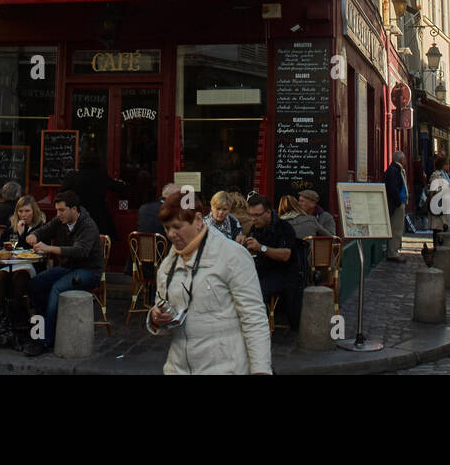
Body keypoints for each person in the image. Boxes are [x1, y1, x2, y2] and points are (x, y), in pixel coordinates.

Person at [147, 188, 271, 374]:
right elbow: (163, 309)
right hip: (178, 368)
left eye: (177, 226)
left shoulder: (232, 255)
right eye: (167, 228)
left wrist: (260, 370)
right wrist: (156, 318)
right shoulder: (168, 264)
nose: (171, 234)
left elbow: (254, 317)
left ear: (198, 220)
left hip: (225, 368)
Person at [22, 190, 104, 357]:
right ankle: (43, 324)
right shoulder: (60, 221)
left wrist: (49, 248)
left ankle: (46, 340)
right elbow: (44, 230)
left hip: (89, 271)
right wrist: (33, 235)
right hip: (67, 268)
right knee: (35, 284)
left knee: (57, 289)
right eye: (57, 210)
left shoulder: (88, 225)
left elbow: (80, 251)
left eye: (61, 210)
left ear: (74, 209)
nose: (58, 214)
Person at [0, 195, 46, 348]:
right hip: (11, 264)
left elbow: (38, 250)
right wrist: (16, 232)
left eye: (27, 211)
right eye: (21, 211)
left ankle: (15, 328)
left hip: (29, 265)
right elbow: (4, 245)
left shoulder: (40, 227)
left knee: (20, 277)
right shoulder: (11, 225)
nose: (24, 215)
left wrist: (22, 235)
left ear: (34, 212)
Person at [242, 194, 302, 329]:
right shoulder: (255, 228)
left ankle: (257, 329)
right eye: (251, 215)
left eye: (257, 215)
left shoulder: (284, 227)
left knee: (255, 292)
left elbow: (285, 255)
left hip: (283, 273)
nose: (253, 219)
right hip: (261, 270)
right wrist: (243, 243)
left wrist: (260, 248)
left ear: (268, 212)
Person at [60, 148, 123, 240]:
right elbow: (118, 188)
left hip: (77, 218)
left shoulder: (72, 176)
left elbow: (61, 196)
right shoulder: (100, 176)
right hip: (99, 219)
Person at [383, 150, 409, 260]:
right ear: (400, 159)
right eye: (404, 158)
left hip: (399, 203)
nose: (406, 160)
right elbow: (393, 188)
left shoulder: (397, 169)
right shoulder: (394, 170)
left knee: (397, 228)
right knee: (395, 228)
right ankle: (392, 252)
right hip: (396, 204)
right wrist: (399, 202)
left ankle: (394, 250)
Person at [427, 155, 450, 245]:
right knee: (438, 229)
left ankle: (441, 250)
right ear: (443, 165)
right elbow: (436, 188)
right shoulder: (436, 175)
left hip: (443, 206)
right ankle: (438, 251)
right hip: (438, 207)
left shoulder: (445, 175)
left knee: (443, 228)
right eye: (447, 164)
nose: (448, 166)